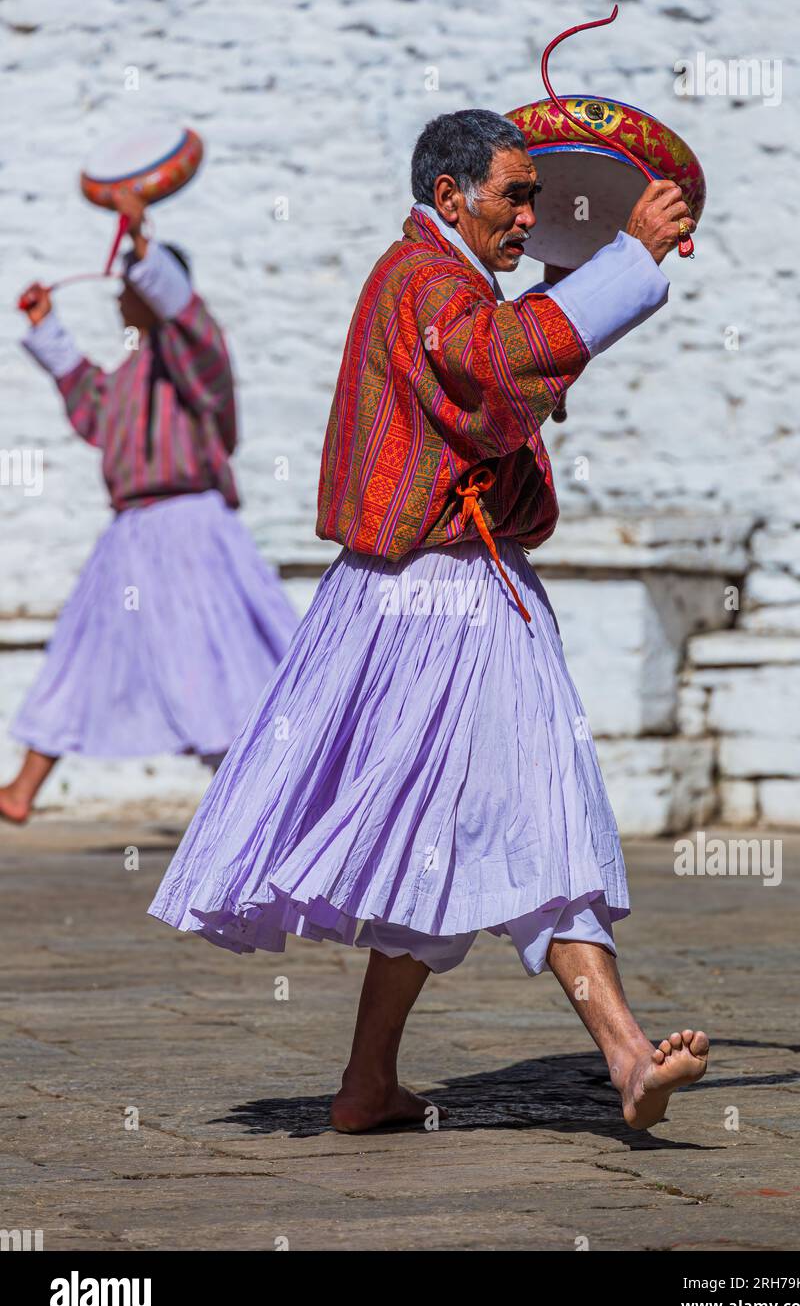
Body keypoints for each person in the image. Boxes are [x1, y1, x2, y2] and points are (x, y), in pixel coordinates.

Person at [148, 110, 709, 1133]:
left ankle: (369, 1084)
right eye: (514, 195)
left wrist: (577, 298)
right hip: (442, 600)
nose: (530, 216)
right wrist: (622, 261)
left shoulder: (439, 282)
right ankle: (625, 1055)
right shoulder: (425, 283)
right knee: (534, 813)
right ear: (449, 197)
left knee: (432, 835)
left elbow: (495, 379)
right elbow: (491, 362)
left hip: (440, 594)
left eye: (538, 198)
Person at [0, 189, 299, 824]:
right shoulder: (131, 373)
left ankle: (252, 808)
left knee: (214, 662)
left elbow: (188, 320)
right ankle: (23, 788)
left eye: (133, 284)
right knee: (82, 650)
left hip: (190, 528)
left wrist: (142, 247)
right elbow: (91, 405)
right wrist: (46, 328)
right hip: (130, 534)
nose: (118, 297)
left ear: (160, 291)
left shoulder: (198, 361)